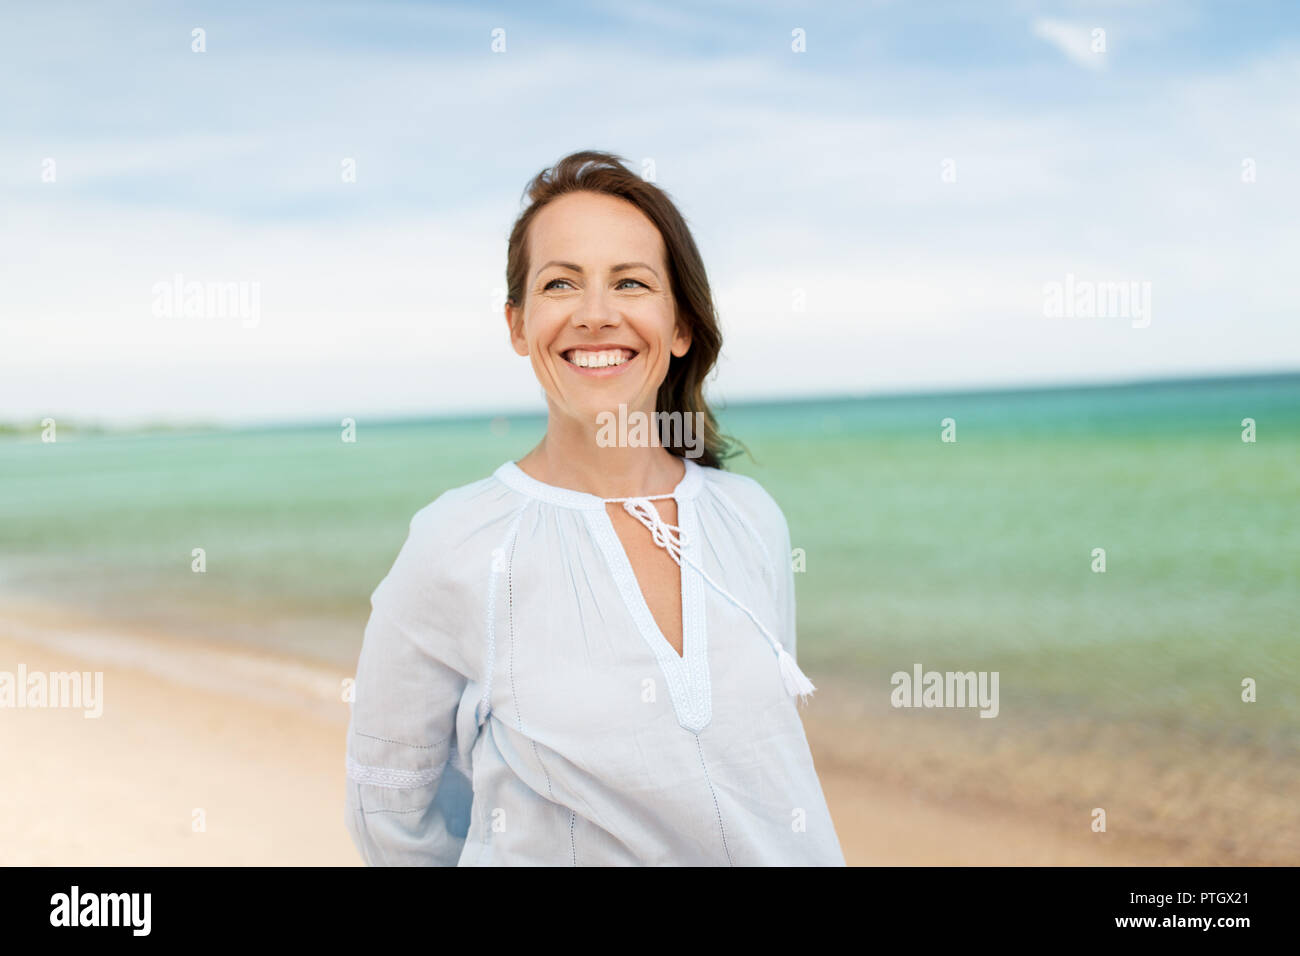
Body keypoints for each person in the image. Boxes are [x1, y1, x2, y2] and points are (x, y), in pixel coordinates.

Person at [344, 150, 845, 865]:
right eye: (561, 284)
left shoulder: (751, 517)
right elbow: (392, 813)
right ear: (518, 325)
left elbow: (765, 767)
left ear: (679, 327)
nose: (597, 315)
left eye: (632, 283)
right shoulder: (456, 543)